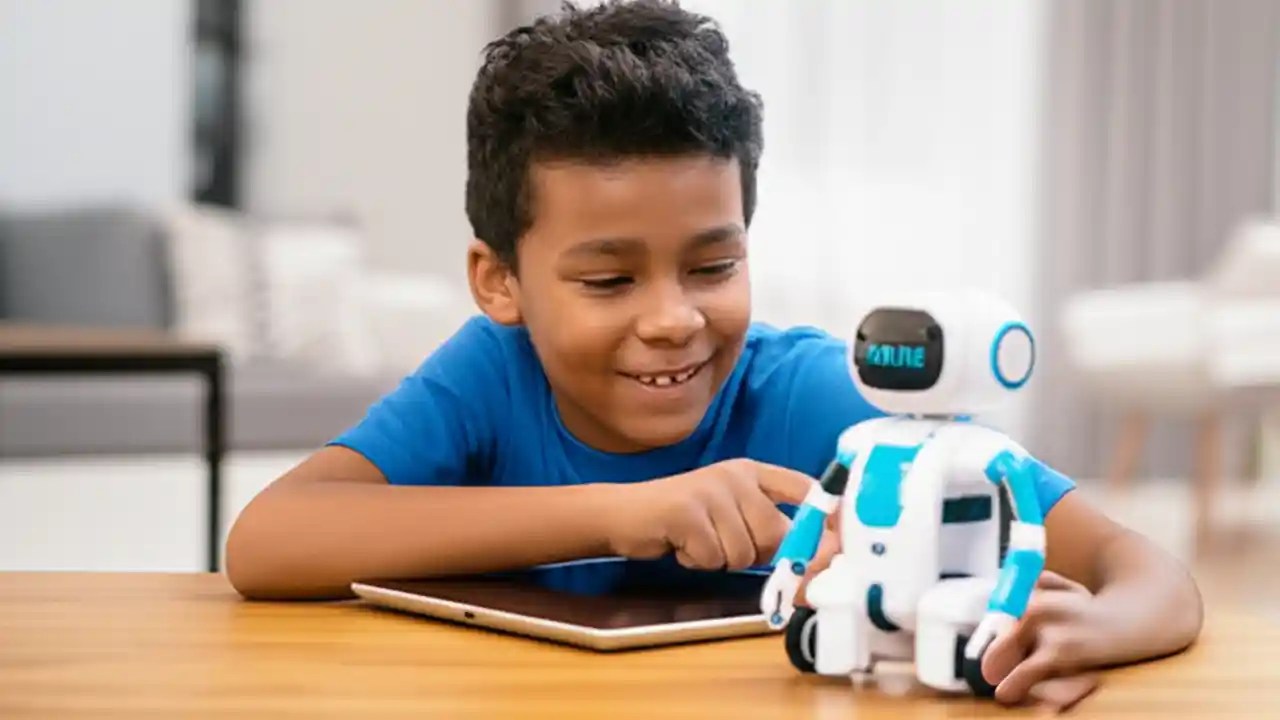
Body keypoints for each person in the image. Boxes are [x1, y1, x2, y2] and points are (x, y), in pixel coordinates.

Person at [225, 0, 1202, 710]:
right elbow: (270, 542)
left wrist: (1102, 626)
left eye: (712, 264)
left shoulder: (817, 393)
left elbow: (1141, 567)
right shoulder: (490, 370)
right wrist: (623, 513)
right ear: (499, 282)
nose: (672, 320)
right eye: (608, 281)